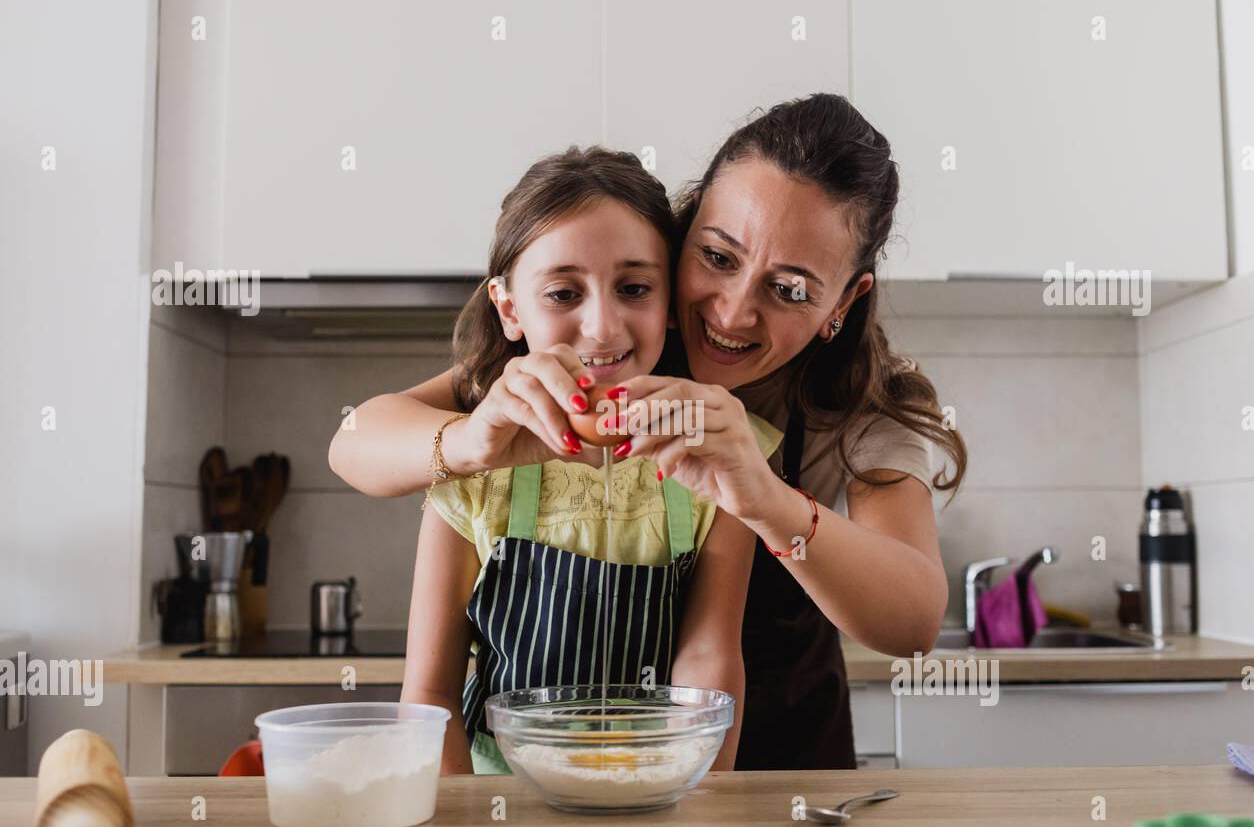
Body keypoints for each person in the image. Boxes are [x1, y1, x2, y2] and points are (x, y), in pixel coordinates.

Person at [335, 94, 968, 770]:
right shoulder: (605, 342)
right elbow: (355, 441)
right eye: (718, 258)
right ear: (680, 242)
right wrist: (467, 443)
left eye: (788, 290)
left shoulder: (861, 406)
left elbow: (911, 624)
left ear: (843, 302)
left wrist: (764, 499)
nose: (731, 313)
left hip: (783, 772)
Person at [400, 146, 781, 774]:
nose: (602, 328)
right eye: (562, 293)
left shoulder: (720, 450)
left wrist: (698, 817)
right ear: (509, 308)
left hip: (656, 797)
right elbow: (430, 693)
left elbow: (709, 664)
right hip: (502, 813)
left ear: (671, 302)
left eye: (634, 288)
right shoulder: (473, 461)